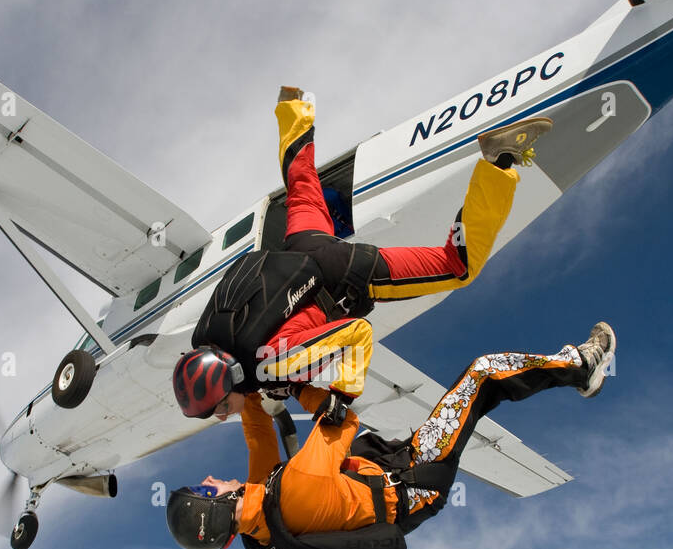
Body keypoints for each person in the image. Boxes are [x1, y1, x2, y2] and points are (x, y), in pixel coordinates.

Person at [173, 86, 553, 423]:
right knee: (302, 183)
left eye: (220, 406)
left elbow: (357, 332)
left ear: (232, 379)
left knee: (457, 267)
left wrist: (343, 394)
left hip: (347, 275)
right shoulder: (207, 336)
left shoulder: (269, 363)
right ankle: (293, 107)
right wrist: (279, 383)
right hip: (302, 244)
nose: (223, 415)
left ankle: (499, 163)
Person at [165, 322, 616, 549]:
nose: (209, 477)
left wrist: (243, 385)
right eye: (206, 488)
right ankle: (582, 365)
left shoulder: (264, 525)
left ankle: (577, 367)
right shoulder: (295, 489)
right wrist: (296, 386)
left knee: (475, 385)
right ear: (216, 503)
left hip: (387, 471)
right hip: (416, 478)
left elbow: (259, 436)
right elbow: (341, 419)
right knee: (484, 374)